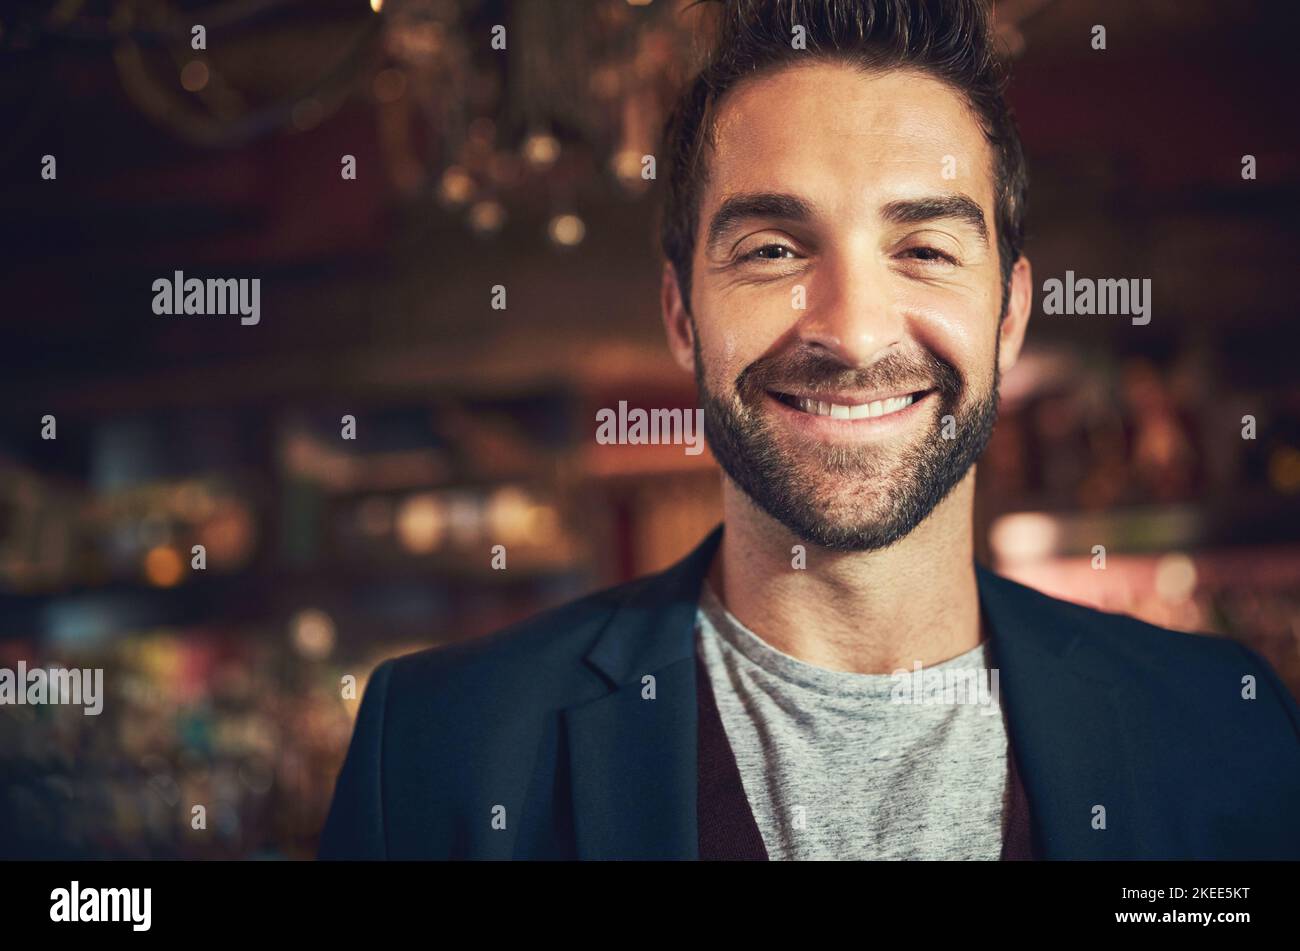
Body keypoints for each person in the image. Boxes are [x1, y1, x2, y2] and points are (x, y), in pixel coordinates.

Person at [319, 0, 1300, 860]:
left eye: (922, 247)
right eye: (773, 247)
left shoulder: (1222, 727)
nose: (852, 328)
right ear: (679, 315)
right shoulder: (437, 751)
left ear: (1008, 317)